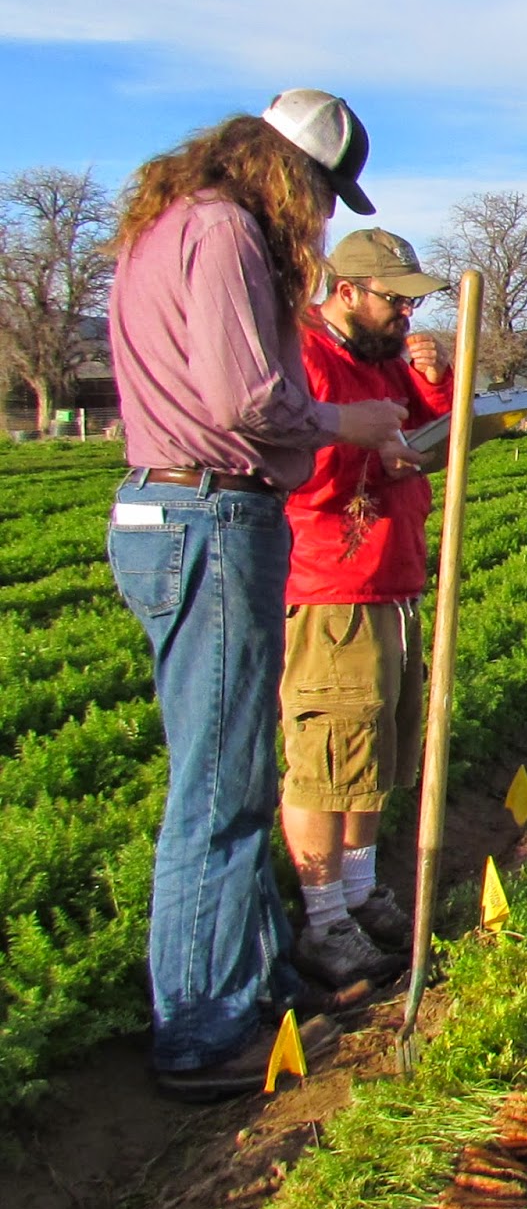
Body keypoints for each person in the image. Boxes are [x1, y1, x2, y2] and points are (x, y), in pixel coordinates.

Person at [107, 89, 421, 1102]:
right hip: (209, 510)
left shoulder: (172, 222)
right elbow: (245, 397)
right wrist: (344, 424)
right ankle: (203, 1031)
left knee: (229, 771)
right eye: (326, 196)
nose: (322, 219)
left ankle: (255, 984)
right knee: (220, 789)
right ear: (292, 174)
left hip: (172, 508)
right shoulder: (227, 231)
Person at [280, 229, 453, 986]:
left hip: (389, 580)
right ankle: (324, 923)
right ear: (346, 291)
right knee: (329, 757)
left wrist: (436, 381)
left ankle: (359, 892)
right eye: (395, 300)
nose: (406, 315)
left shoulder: (379, 358)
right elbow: (297, 468)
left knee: (374, 755)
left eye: (413, 302)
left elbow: (427, 431)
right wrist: (372, 452)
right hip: (333, 587)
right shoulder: (306, 354)